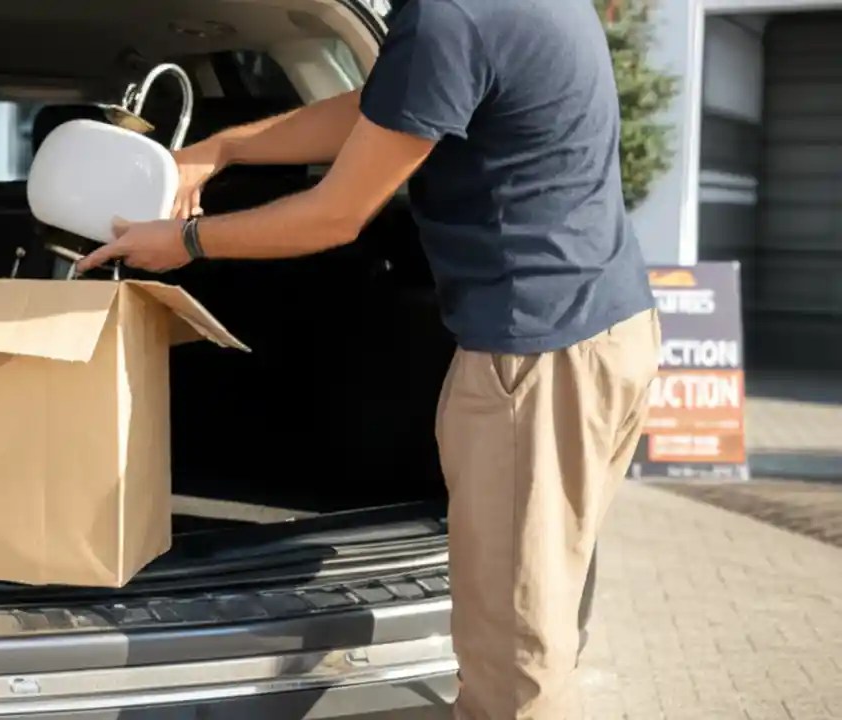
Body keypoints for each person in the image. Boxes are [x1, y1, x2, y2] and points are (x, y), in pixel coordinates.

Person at [77, 0, 661, 716]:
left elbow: (335, 213)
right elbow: (385, 106)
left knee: (512, 661)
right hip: (603, 329)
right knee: (534, 614)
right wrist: (225, 148)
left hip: (536, 358)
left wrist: (187, 242)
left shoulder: (450, 15)